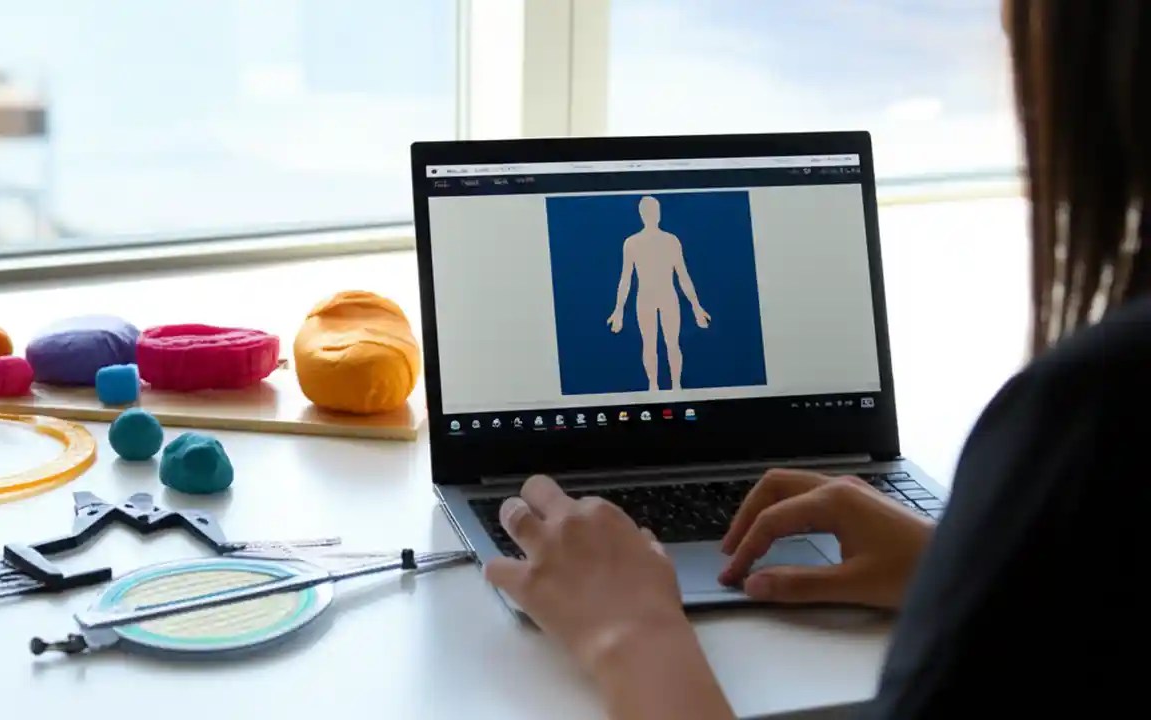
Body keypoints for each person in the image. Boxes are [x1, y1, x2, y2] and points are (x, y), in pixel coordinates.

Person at [485, 2, 1148, 718]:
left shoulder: (1096, 419)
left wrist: (630, 629)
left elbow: (680, 283)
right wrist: (960, 568)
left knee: (669, 352)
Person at [607, 195, 711, 391]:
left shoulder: (638, 242)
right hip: (658, 297)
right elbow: (626, 279)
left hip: (654, 297)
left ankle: (670, 386)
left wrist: (697, 307)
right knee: (662, 344)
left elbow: (682, 276)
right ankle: (659, 386)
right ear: (657, 215)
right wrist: (618, 310)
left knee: (661, 344)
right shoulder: (660, 241)